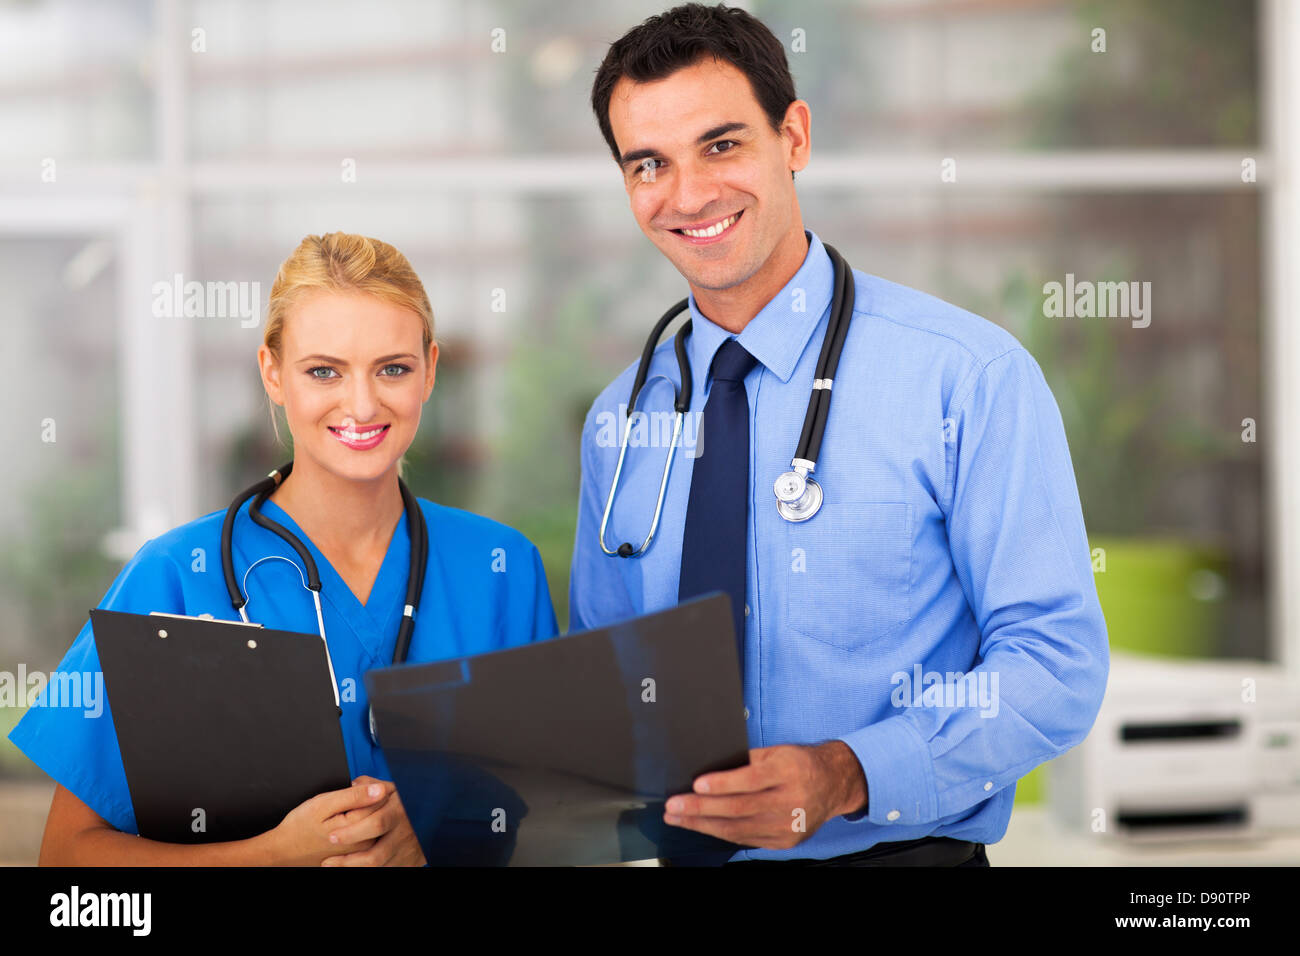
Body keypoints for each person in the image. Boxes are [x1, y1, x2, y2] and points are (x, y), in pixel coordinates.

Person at [570, 3, 1109, 866]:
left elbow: (1057, 665)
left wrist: (847, 772)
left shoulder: (966, 377)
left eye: (722, 145)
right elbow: (609, 672)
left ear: (794, 137)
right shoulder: (623, 417)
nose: (690, 194)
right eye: (648, 164)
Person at [9, 232, 558, 865]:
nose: (361, 404)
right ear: (272, 373)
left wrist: (442, 833)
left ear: (430, 369)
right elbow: (67, 860)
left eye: (393, 369)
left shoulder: (501, 570)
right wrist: (272, 855)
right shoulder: (175, 578)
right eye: (323, 370)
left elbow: (551, 821)